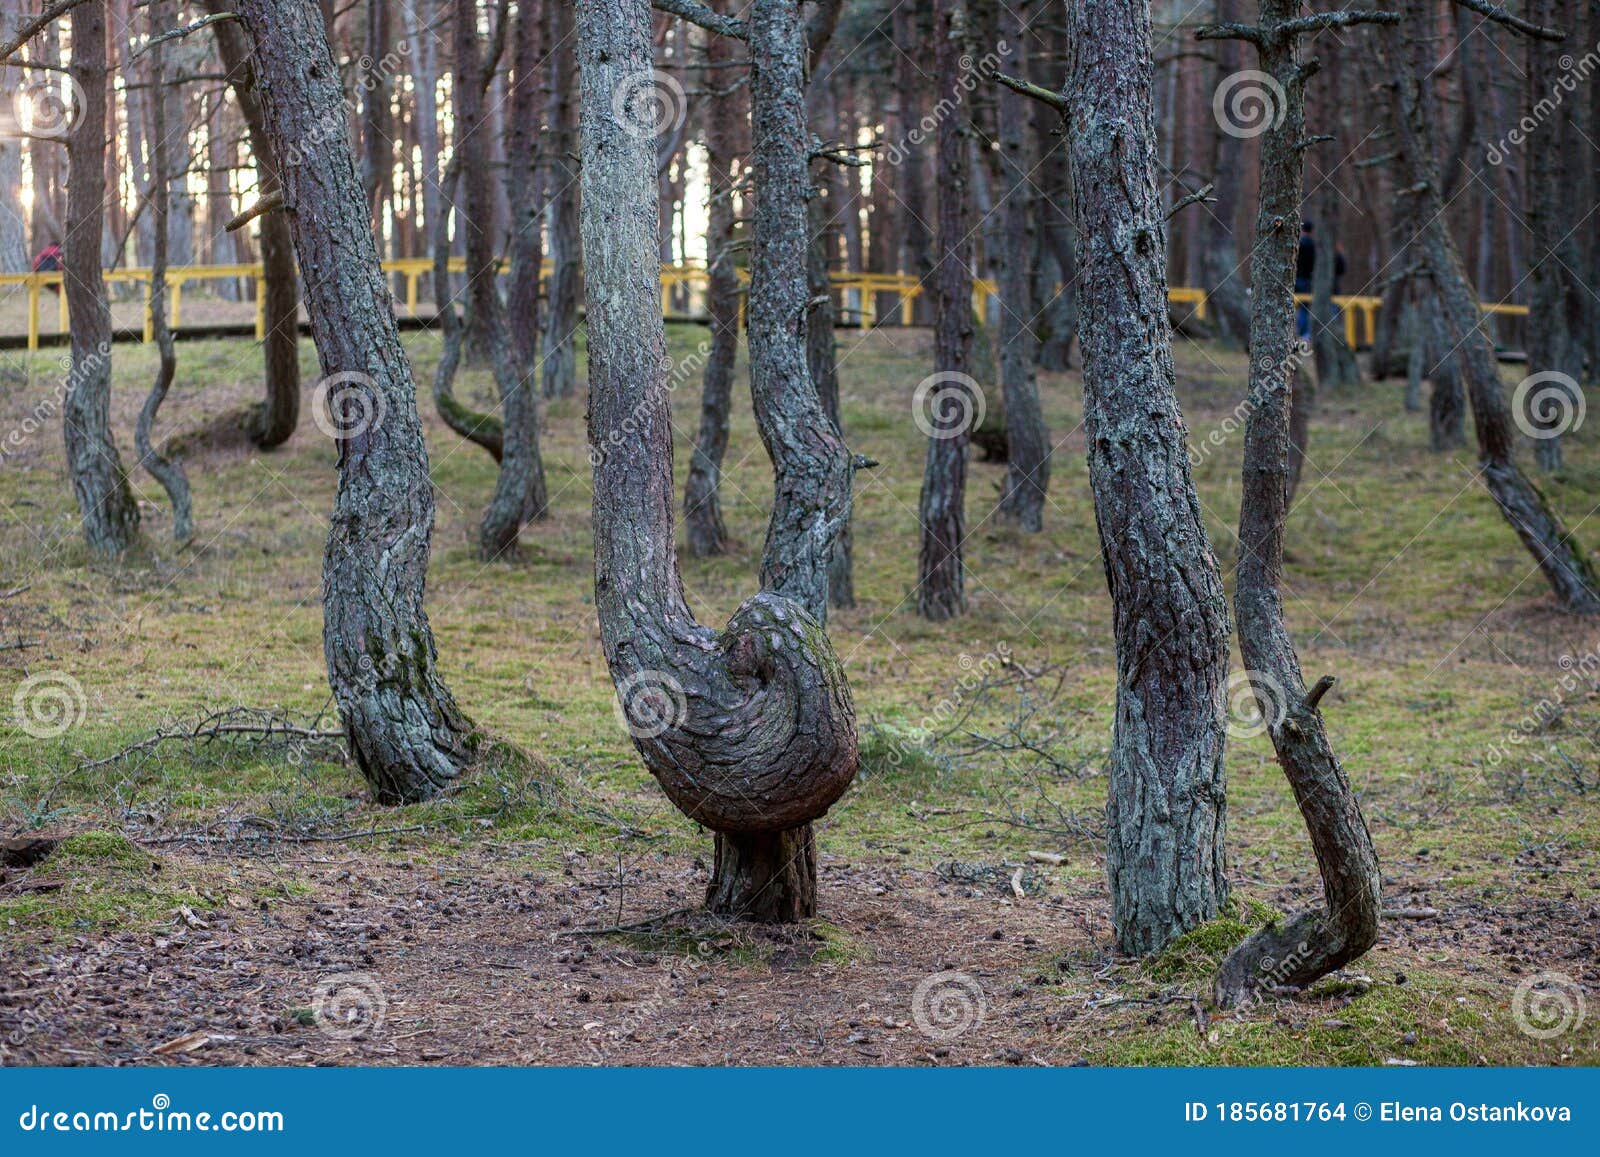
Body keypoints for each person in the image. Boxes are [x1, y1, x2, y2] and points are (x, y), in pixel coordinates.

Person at [1294, 221, 1315, 341]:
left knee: (1297, 306)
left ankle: (1298, 331)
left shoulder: (1298, 243)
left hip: (1296, 278)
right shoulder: (1311, 245)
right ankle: (1304, 333)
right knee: (1305, 307)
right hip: (1306, 279)